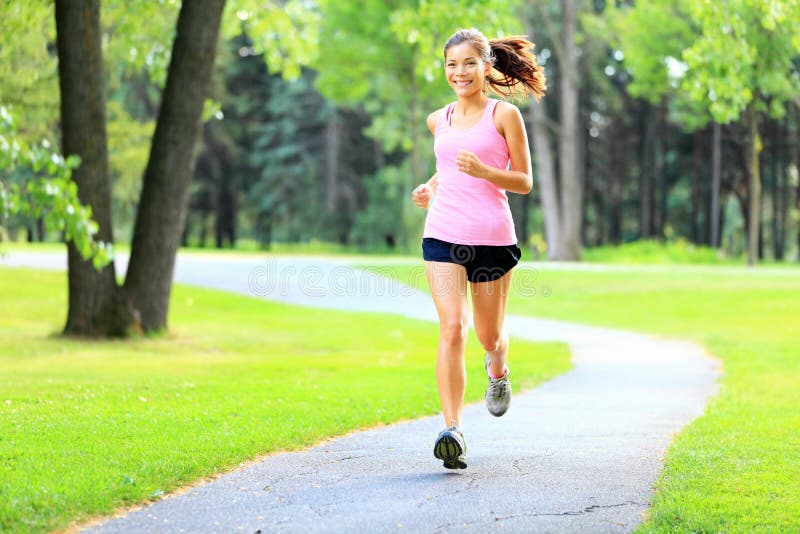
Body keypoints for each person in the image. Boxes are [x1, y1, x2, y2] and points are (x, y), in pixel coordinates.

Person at [411, 28, 546, 469]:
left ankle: (498, 367)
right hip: (443, 234)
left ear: (486, 67)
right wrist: (429, 188)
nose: (460, 72)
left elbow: (524, 181)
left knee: (488, 336)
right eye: (452, 64)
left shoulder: (504, 115)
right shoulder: (438, 119)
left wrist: (487, 171)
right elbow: (448, 168)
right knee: (453, 326)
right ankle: (452, 430)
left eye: (469, 63)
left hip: (492, 238)